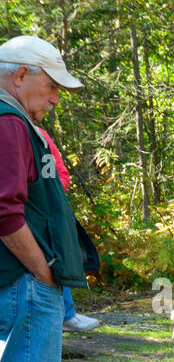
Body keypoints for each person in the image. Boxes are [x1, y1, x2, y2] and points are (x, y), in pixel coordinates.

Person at [0, 35, 86, 362]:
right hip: (24, 284)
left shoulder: (14, 122)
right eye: (51, 86)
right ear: (20, 76)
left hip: (16, 282)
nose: (55, 98)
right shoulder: (10, 123)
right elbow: (6, 210)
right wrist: (43, 270)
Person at [35, 124, 99, 332]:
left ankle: (68, 314)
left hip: (47, 213)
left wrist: (50, 194)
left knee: (56, 258)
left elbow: (62, 174)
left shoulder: (39, 135)